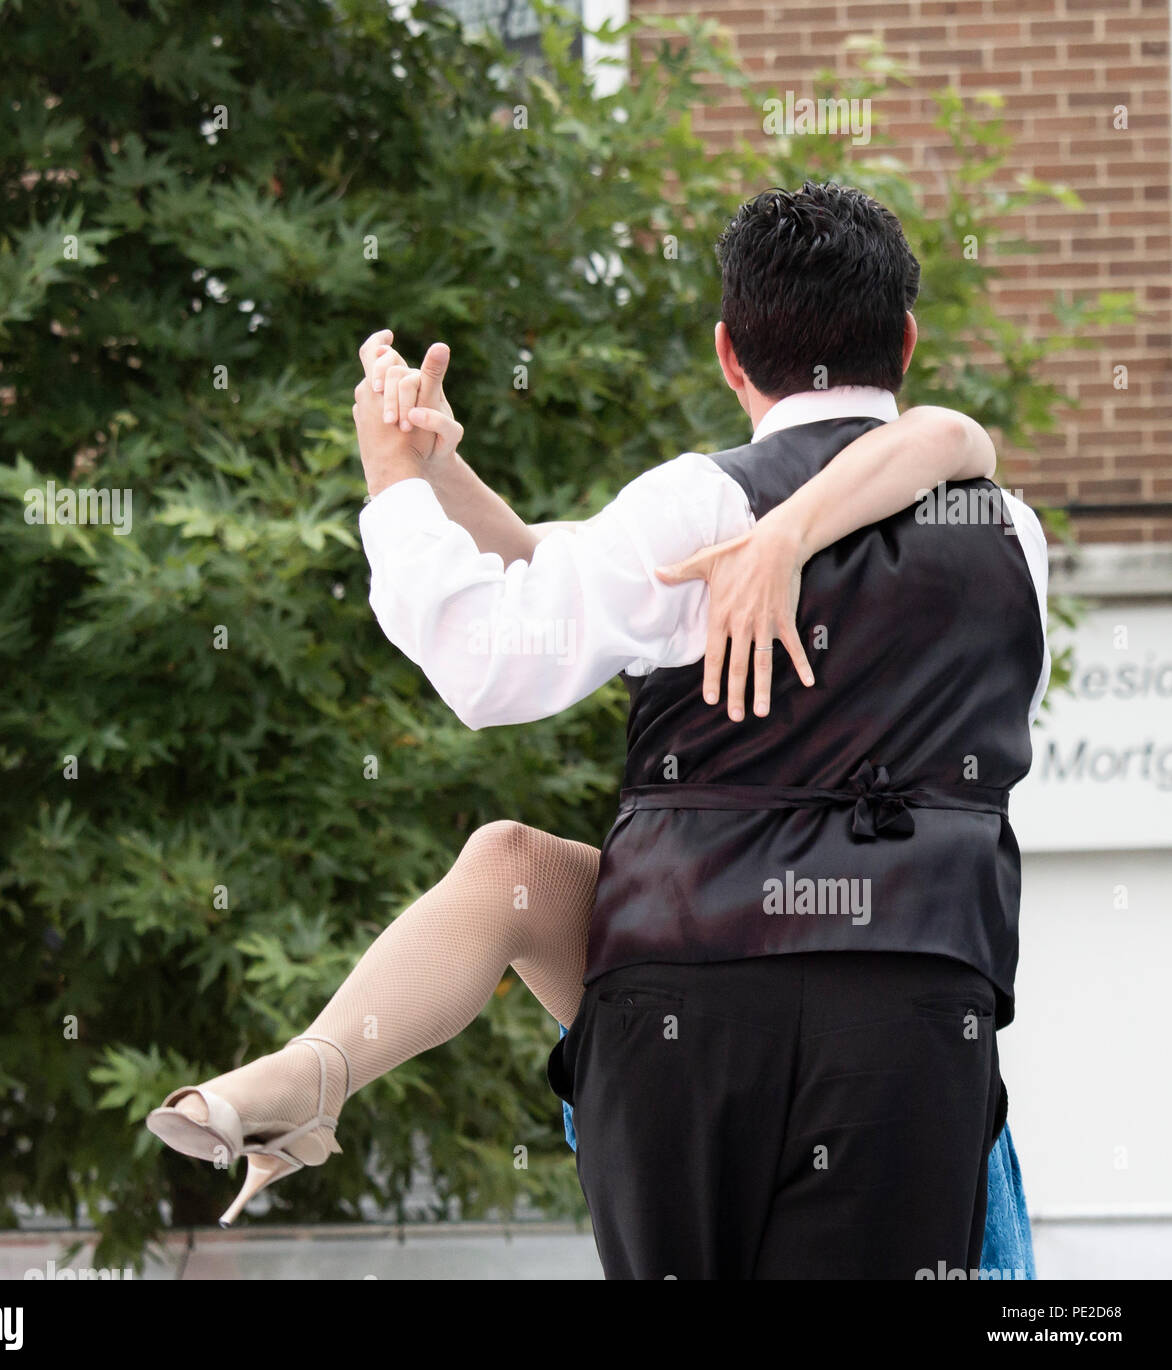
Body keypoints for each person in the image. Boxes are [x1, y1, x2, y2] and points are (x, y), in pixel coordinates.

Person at [150, 183, 1048, 1280]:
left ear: (728, 352)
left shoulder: (695, 504)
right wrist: (447, 472)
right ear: (905, 339)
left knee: (509, 867)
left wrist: (392, 482)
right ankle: (315, 1070)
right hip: (910, 1008)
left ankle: (317, 1067)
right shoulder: (1009, 533)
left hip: (688, 1009)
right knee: (512, 866)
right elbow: (941, 446)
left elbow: (498, 656)